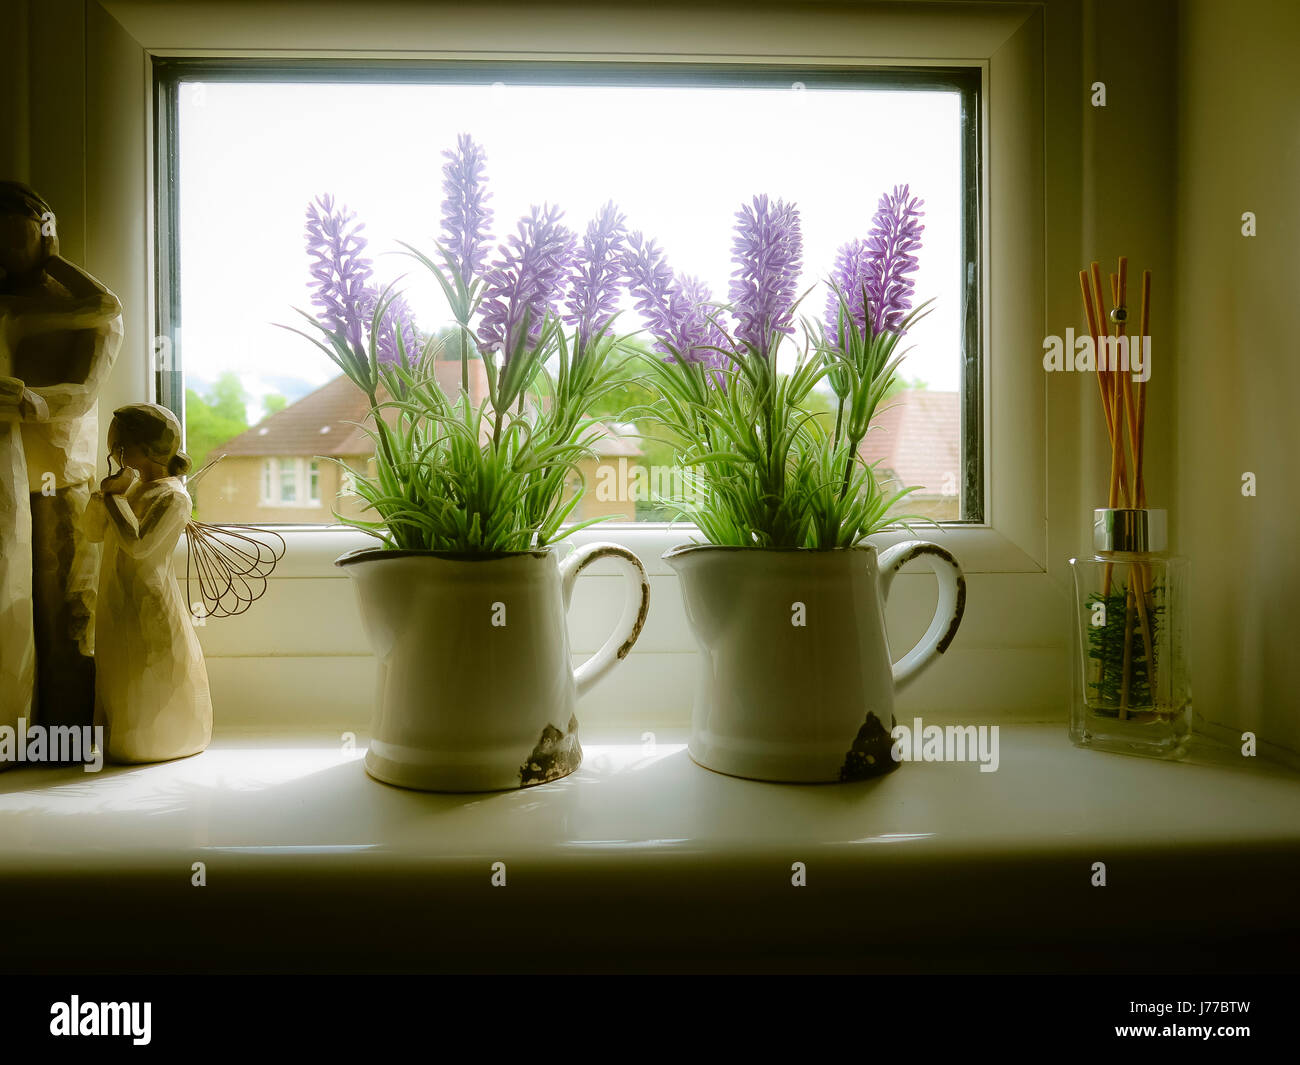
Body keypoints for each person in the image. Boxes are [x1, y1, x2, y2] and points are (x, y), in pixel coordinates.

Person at [0, 181, 122, 734]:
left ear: (47, 238)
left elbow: (85, 391)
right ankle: (15, 725)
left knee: (68, 608)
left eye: (18, 238)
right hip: (6, 475)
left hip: (58, 471)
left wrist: (33, 400)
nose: (5, 252)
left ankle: (66, 733)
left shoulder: (85, 311)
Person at [85, 404, 212, 763]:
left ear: (142, 448)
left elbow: (138, 544)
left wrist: (114, 498)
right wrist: (104, 495)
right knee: (117, 670)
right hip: (116, 599)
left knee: (146, 668)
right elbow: (92, 532)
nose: (115, 453)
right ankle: (122, 737)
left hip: (149, 603)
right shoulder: (133, 490)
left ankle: (161, 738)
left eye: (119, 445)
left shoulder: (173, 496)